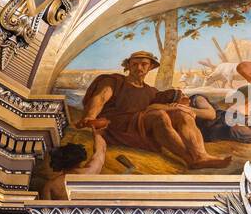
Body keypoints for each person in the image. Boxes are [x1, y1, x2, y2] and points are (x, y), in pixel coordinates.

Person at [78, 51, 230, 169]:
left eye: (144, 64)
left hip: (141, 128)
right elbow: (101, 97)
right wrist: (90, 116)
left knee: (181, 113)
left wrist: (182, 106)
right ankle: (190, 159)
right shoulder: (115, 81)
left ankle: (200, 155)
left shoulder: (151, 92)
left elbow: (161, 105)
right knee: (159, 116)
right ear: (128, 66)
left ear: (150, 67)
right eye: (135, 64)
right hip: (117, 125)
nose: (139, 67)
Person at [34, 130, 107, 200]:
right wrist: (96, 133)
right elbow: (100, 151)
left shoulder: (51, 185)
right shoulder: (90, 172)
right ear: (79, 159)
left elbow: (45, 210)